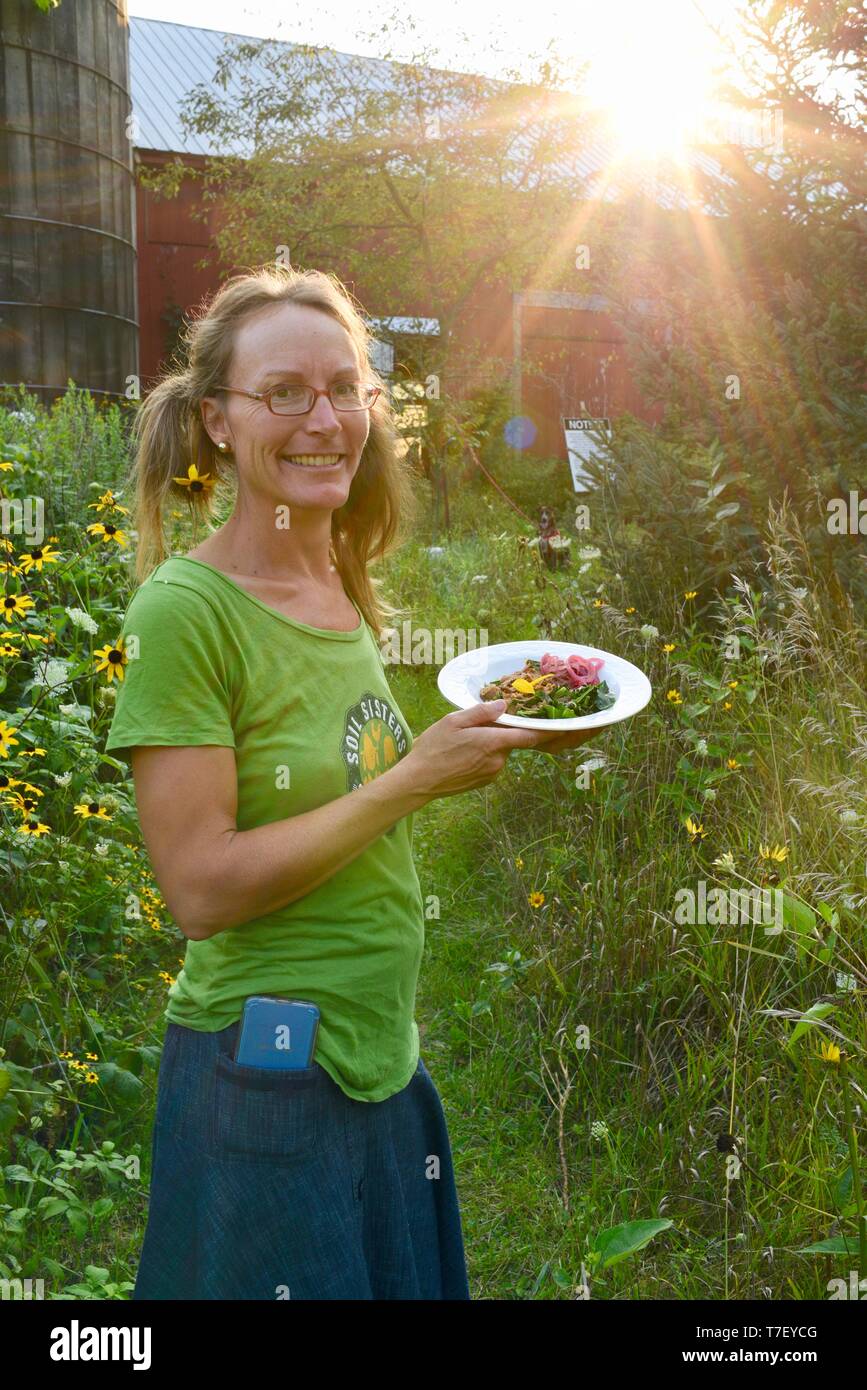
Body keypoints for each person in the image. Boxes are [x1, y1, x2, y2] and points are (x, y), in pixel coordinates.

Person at [105, 265, 602, 1300]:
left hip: (380, 1059)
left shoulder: (335, 579)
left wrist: (477, 740)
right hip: (270, 1076)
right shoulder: (185, 611)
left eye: (348, 386)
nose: (325, 417)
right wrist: (416, 780)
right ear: (217, 421)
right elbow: (198, 888)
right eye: (285, 391)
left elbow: (343, 788)